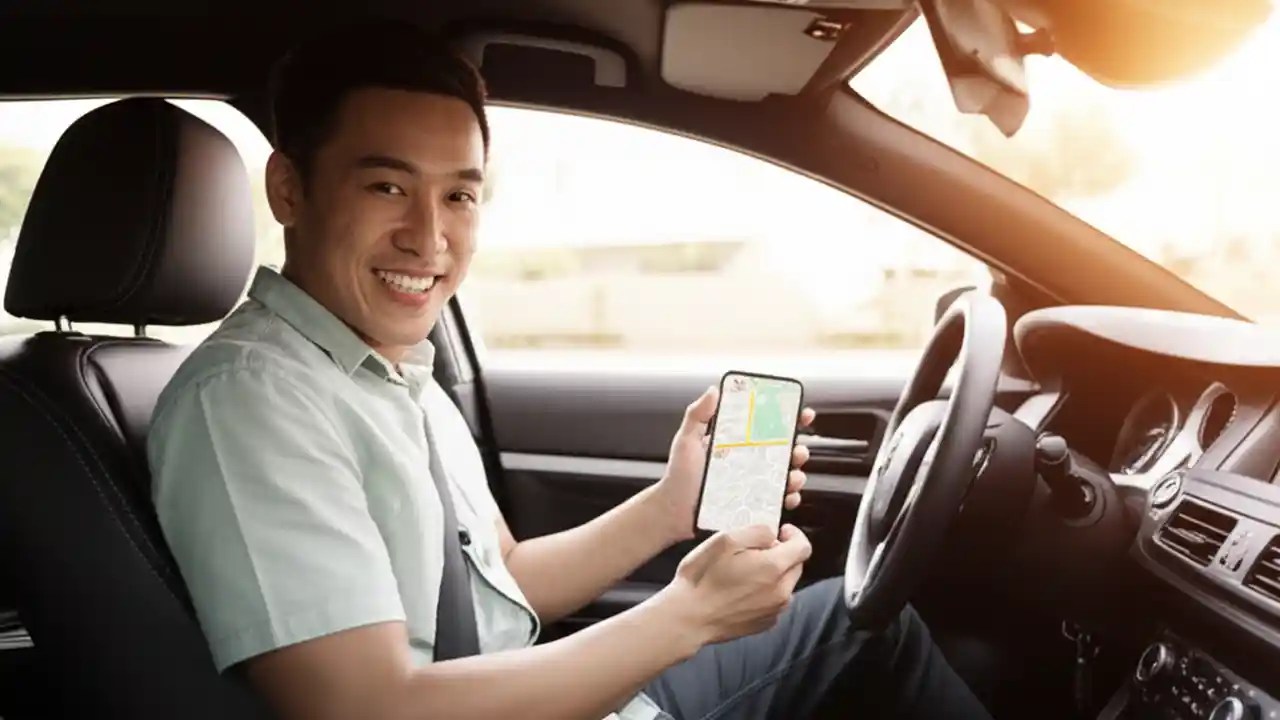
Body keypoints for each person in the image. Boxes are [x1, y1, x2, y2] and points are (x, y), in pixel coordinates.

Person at [147, 19, 993, 720]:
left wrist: (671, 506)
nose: (430, 238)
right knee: (867, 632)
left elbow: (500, 587)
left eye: (460, 196)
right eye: (386, 188)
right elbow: (368, 708)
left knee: (863, 626)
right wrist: (687, 616)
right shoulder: (252, 398)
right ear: (290, 190)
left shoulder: (386, 369)